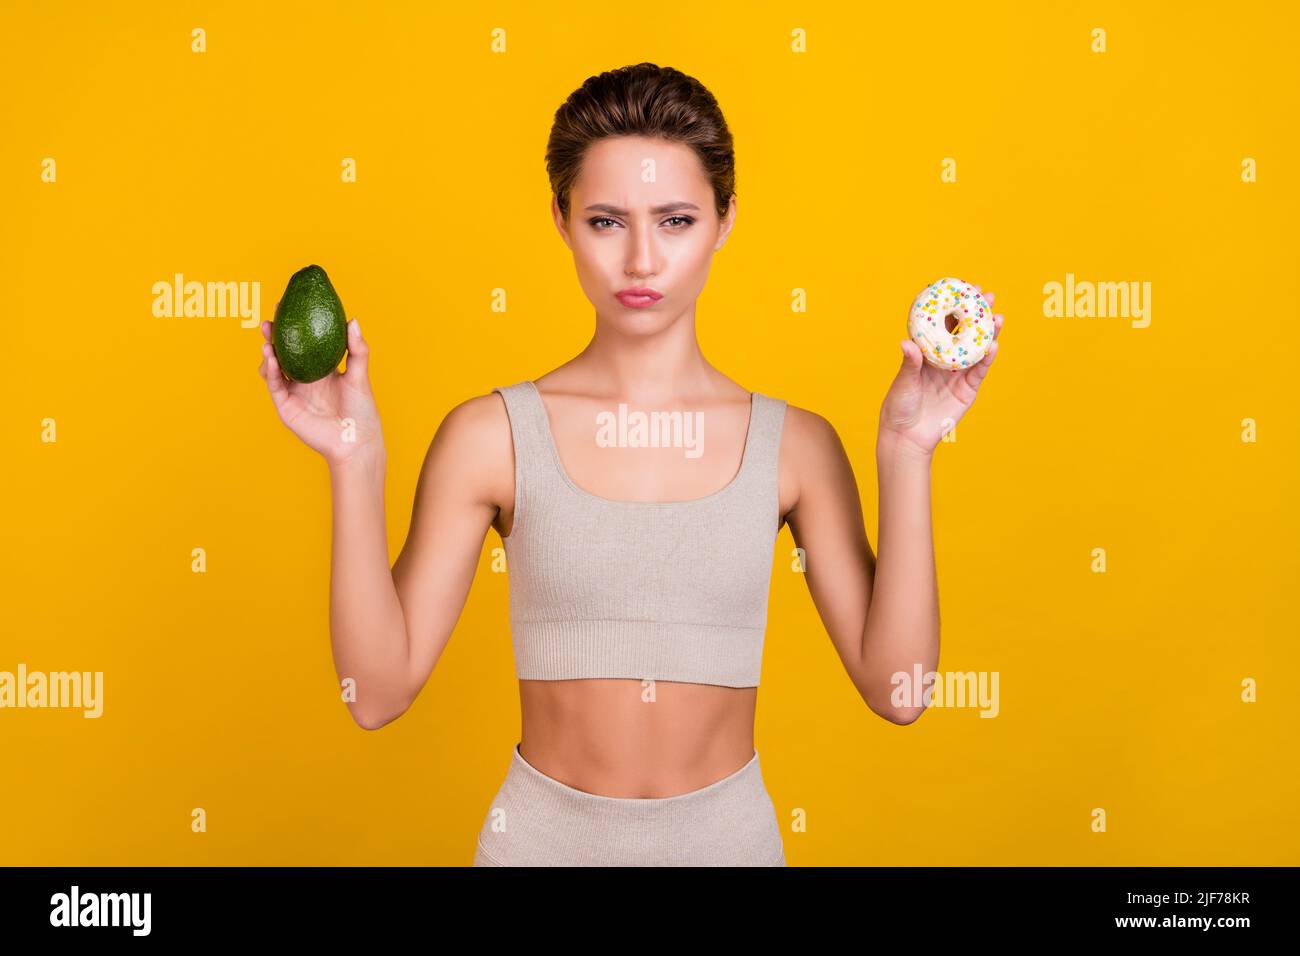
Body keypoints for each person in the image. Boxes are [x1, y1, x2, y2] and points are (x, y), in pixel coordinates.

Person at [256, 62, 1003, 866]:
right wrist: (354, 459)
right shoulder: (491, 437)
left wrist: (908, 450)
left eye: (676, 220)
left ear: (725, 220)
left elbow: (901, 692)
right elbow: (374, 695)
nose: (642, 261)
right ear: (561, 219)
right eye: (607, 221)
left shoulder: (798, 448)